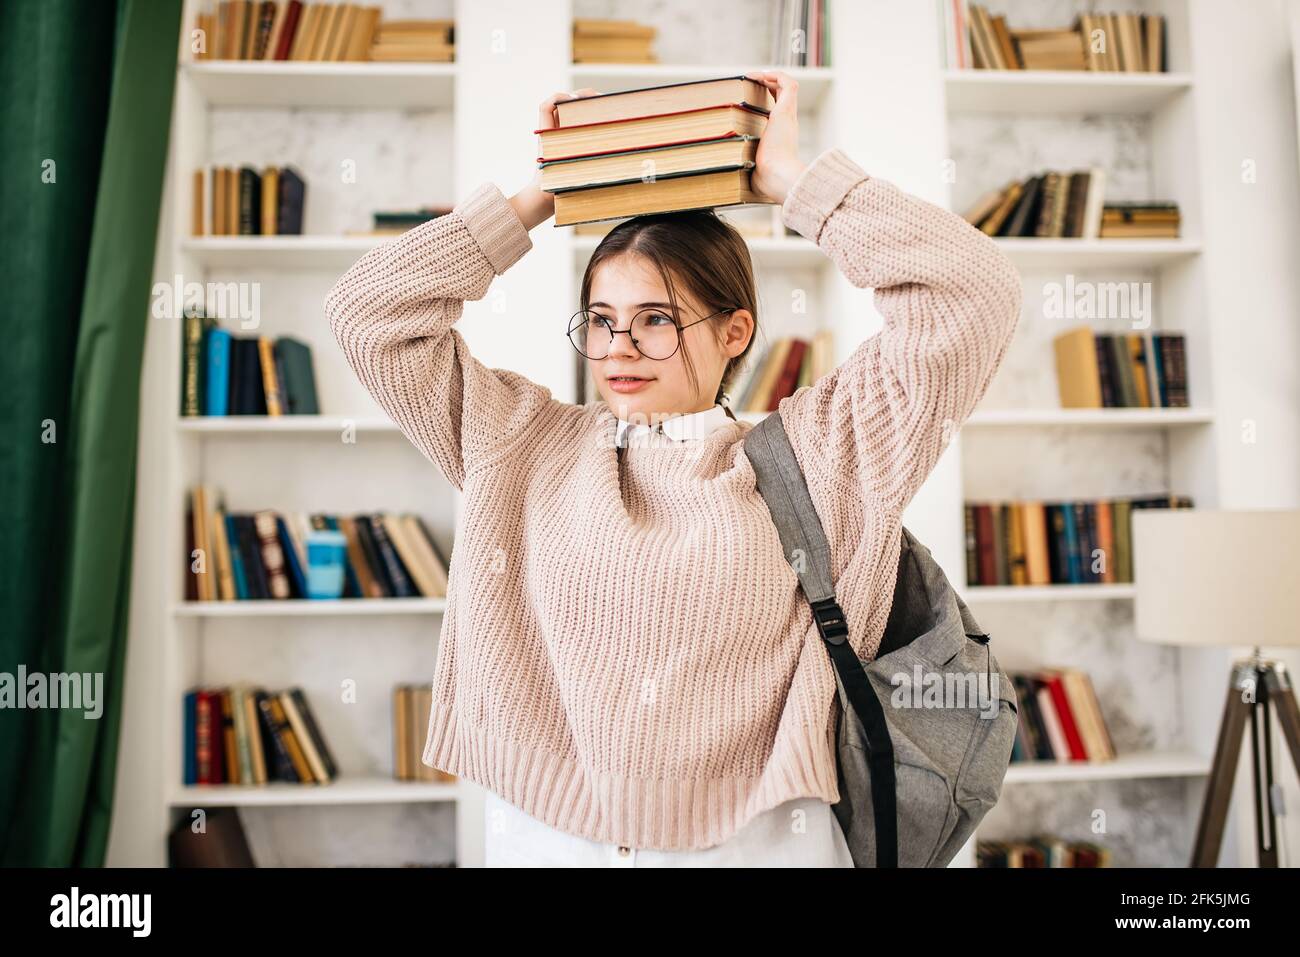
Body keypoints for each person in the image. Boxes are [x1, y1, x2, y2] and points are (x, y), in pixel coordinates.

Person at [324, 70, 1022, 867]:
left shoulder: (826, 456)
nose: (618, 347)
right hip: (549, 840)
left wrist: (792, 181)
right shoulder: (517, 443)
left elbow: (972, 292)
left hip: (763, 844)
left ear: (736, 331)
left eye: (656, 319)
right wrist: (547, 193)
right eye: (601, 320)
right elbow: (367, 315)